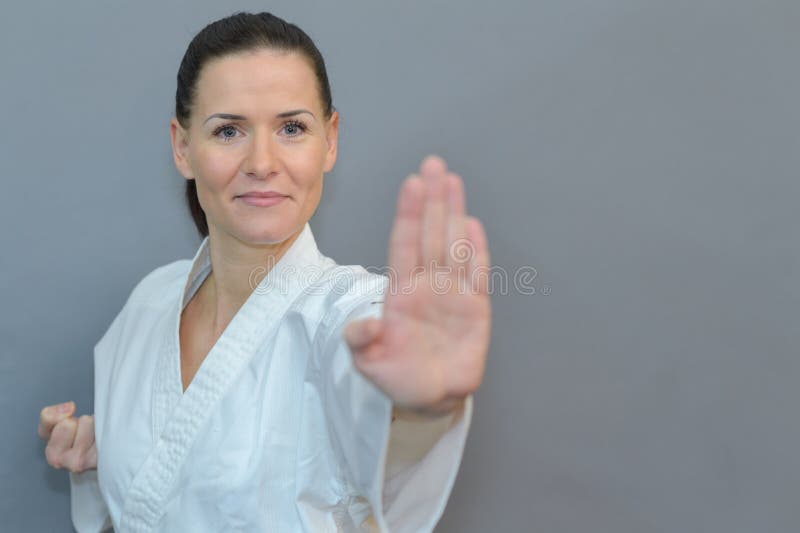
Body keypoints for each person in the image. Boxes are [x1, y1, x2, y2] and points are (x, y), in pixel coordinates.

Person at [37, 11, 491, 532]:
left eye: (292, 128)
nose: (262, 161)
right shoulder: (150, 302)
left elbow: (367, 392)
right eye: (228, 130)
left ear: (331, 140)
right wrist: (115, 444)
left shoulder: (348, 314)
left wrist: (421, 408)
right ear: (182, 147)